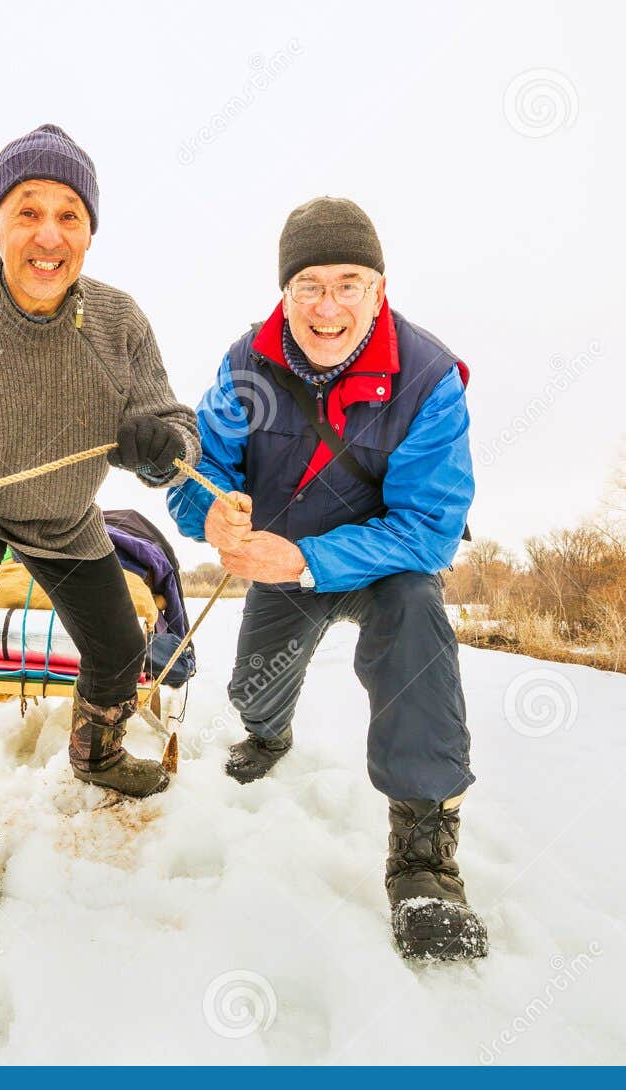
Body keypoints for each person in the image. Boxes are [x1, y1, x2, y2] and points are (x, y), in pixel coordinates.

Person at [0, 124, 199, 925]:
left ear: (90, 231)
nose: (49, 235)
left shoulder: (120, 323)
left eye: (70, 214)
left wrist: (163, 446)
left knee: (121, 647)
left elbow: (170, 423)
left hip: (66, 516)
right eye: (28, 211)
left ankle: (94, 752)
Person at [166, 197, 486, 960]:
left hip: (381, 565)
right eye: (308, 283)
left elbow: (430, 528)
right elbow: (196, 469)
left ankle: (422, 860)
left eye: (349, 282)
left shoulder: (429, 378)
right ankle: (268, 732)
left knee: (417, 621)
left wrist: (310, 559)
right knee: (253, 688)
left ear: (380, 287)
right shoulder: (245, 363)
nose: (328, 305)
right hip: (278, 563)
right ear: (284, 292)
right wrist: (206, 514)